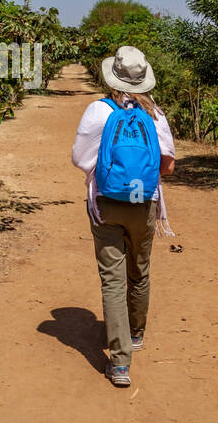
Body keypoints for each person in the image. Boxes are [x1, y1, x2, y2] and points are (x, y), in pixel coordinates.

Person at [70, 45, 175, 388]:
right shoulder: (155, 114)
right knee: (139, 272)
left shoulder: (98, 111)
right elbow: (169, 166)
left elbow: (79, 158)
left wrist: (107, 171)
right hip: (144, 203)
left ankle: (119, 364)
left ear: (112, 77)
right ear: (143, 80)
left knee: (112, 280)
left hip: (106, 204)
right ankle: (137, 332)